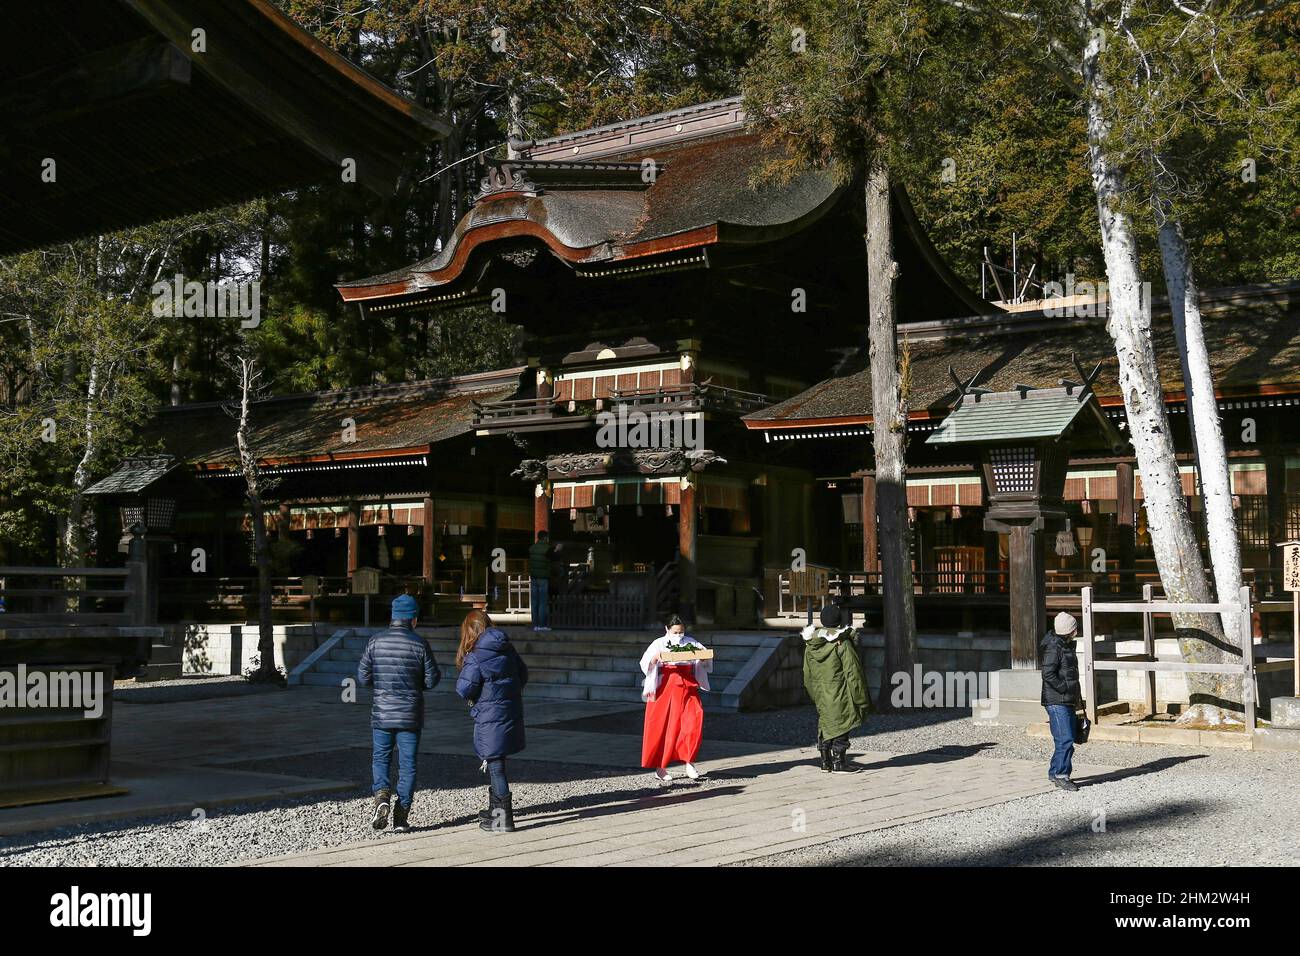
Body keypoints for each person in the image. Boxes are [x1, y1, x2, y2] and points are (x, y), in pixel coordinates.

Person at [356, 592, 439, 832]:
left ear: (393, 617)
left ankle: (382, 796)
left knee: (381, 757)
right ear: (413, 619)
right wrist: (414, 684)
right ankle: (401, 817)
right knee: (408, 764)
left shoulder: (375, 641)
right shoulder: (420, 644)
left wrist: (381, 684)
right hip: (410, 714)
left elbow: (363, 677)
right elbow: (432, 680)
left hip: (382, 713)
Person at [455, 610, 529, 832]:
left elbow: (464, 688)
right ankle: (494, 811)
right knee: (498, 762)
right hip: (509, 711)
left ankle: (503, 820)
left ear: (470, 630)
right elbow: (523, 674)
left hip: (489, 717)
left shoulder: (476, 655)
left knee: (496, 766)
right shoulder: (507, 648)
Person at [639, 614, 712, 784]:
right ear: (667, 629)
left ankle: (689, 761)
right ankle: (660, 767)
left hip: (687, 685)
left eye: (681, 632)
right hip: (666, 687)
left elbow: (705, 658)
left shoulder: (691, 642)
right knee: (664, 727)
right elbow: (645, 662)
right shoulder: (659, 643)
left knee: (693, 722)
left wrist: (703, 658)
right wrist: (655, 658)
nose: (679, 635)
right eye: (675, 632)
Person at [802, 603, 870, 773]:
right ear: (839, 620)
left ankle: (825, 761)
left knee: (826, 722)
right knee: (842, 722)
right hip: (840, 690)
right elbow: (853, 673)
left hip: (820, 692)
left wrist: (814, 694)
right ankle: (839, 762)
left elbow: (807, 674)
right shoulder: (842, 643)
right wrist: (861, 698)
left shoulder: (811, 644)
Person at [1042, 611, 1083, 791]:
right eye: (1075, 628)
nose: (1076, 631)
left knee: (1063, 737)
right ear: (1069, 630)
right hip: (1057, 699)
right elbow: (1048, 673)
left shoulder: (1064, 645)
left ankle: (1054, 771)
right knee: (1066, 738)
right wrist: (1064, 688)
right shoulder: (1055, 647)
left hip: (1065, 699)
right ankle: (1061, 775)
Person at [528, 530, 554, 631]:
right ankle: (542, 625)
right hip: (543, 578)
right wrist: (557, 550)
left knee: (534, 602)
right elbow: (554, 558)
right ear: (545, 538)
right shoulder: (548, 549)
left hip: (534, 577)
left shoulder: (532, 548)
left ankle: (535, 624)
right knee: (543, 602)